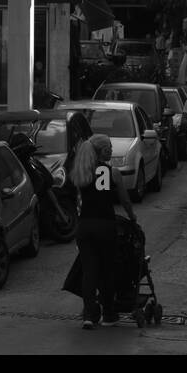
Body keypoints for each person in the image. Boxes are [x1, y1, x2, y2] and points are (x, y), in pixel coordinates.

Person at [71, 133, 136, 329]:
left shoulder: (82, 172)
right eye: (109, 147)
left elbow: (79, 201)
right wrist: (132, 217)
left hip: (84, 226)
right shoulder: (112, 172)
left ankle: (89, 315)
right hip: (105, 225)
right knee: (107, 270)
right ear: (101, 151)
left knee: (89, 271)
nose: (112, 150)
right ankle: (109, 314)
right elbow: (124, 200)